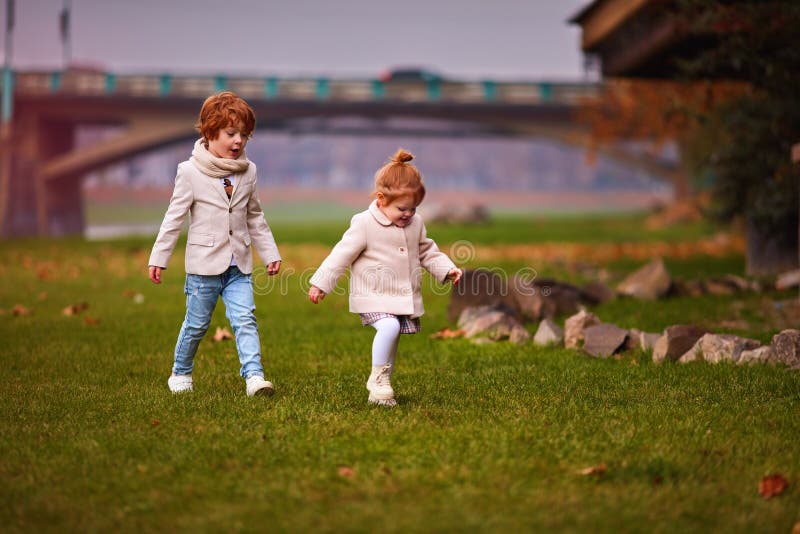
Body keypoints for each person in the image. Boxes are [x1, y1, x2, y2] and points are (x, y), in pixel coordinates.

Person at [148, 91, 281, 397]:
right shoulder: (190, 172)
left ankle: (254, 377)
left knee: (245, 320)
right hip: (203, 268)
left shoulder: (249, 172)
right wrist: (159, 257)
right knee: (196, 325)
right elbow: (174, 218)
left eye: (244, 136)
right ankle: (180, 372)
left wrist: (269, 252)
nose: (239, 142)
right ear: (210, 132)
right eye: (231, 134)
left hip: (239, 266)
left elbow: (255, 216)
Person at [308, 148, 462, 407]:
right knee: (389, 328)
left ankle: (381, 390)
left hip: (401, 297)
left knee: (392, 341)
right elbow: (341, 254)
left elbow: (427, 251)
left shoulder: (415, 223)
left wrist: (446, 269)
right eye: (402, 208)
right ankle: (377, 380)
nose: (408, 214)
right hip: (373, 295)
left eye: (413, 209)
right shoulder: (364, 223)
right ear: (381, 199)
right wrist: (321, 283)